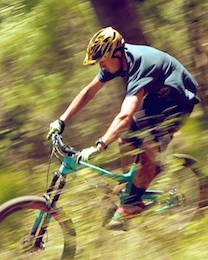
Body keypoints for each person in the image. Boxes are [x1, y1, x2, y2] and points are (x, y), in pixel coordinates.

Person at [47, 27, 200, 230]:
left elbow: (125, 115)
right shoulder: (117, 61)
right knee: (125, 141)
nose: (101, 65)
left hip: (179, 98)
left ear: (117, 54)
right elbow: (88, 92)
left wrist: (99, 146)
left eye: (103, 60)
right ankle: (135, 186)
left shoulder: (140, 66)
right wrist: (61, 120)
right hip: (158, 96)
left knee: (148, 146)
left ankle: (132, 202)